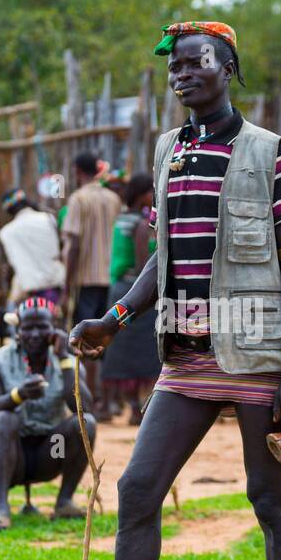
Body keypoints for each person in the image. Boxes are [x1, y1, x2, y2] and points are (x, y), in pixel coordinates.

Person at [50, 20, 281, 560]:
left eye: (196, 62)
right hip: (186, 358)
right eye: (174, 67)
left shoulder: (269, 153)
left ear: (228, 67)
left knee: (270, 501)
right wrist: (114, 318)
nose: (182, 74)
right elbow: (162, 260)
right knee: (138, 490)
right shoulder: (169, 149)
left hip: (258, 353)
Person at [0, 298, 94, 531]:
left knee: (86, 424)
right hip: (5, 455)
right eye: (28, 327)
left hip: (48, 453)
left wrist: (62, 359)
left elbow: (85, 409)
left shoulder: (68, 361)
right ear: (17, 330)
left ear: (54, 328)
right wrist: (18, 395)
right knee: (4, 417)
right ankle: (0, 508)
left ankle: (64, 502)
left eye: (42, 326)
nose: (35, 334)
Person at [62, 151, 123, 415]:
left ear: (77, 170)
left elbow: (73, 243)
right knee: (110, 336)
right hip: (111, 277)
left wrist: (66, 285)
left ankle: (87, 400)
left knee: (84, 340)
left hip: (85, 279)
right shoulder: (114, 198)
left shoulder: (77, 199)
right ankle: (109, 402)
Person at [101, 173, 160, 424]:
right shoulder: (141, 223)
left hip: (118, 290)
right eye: (151, 191)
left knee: (122, 351)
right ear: (142, 194)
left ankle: (134, 405)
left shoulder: (121, 219)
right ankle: (139, 409)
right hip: (134, 292)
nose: (153, 195)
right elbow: (141, 264)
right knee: (145, 351)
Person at [0, 188, 65, 306]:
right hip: (56, 286)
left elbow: (14, 264)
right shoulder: (48, 219)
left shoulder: (6, 233)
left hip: (28, 293)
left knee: (12, 315)